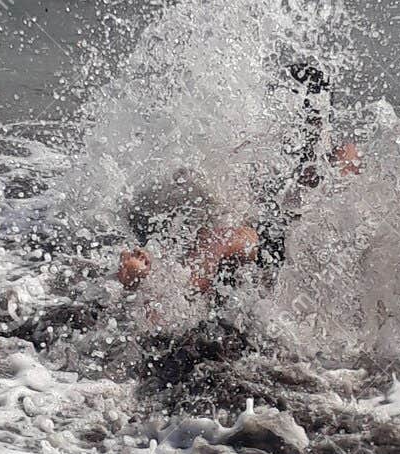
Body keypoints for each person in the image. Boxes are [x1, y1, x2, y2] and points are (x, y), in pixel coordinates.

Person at [117, 63, 363, 298]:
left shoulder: (339, 156)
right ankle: (161, 285)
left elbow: (329, 206)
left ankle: (167, 293)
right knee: (210, 228)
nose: (306, 125)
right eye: (303, 114)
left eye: (313, 114)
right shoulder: (269, 149)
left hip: (289, 244)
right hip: (264, 231)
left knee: (224, 239)